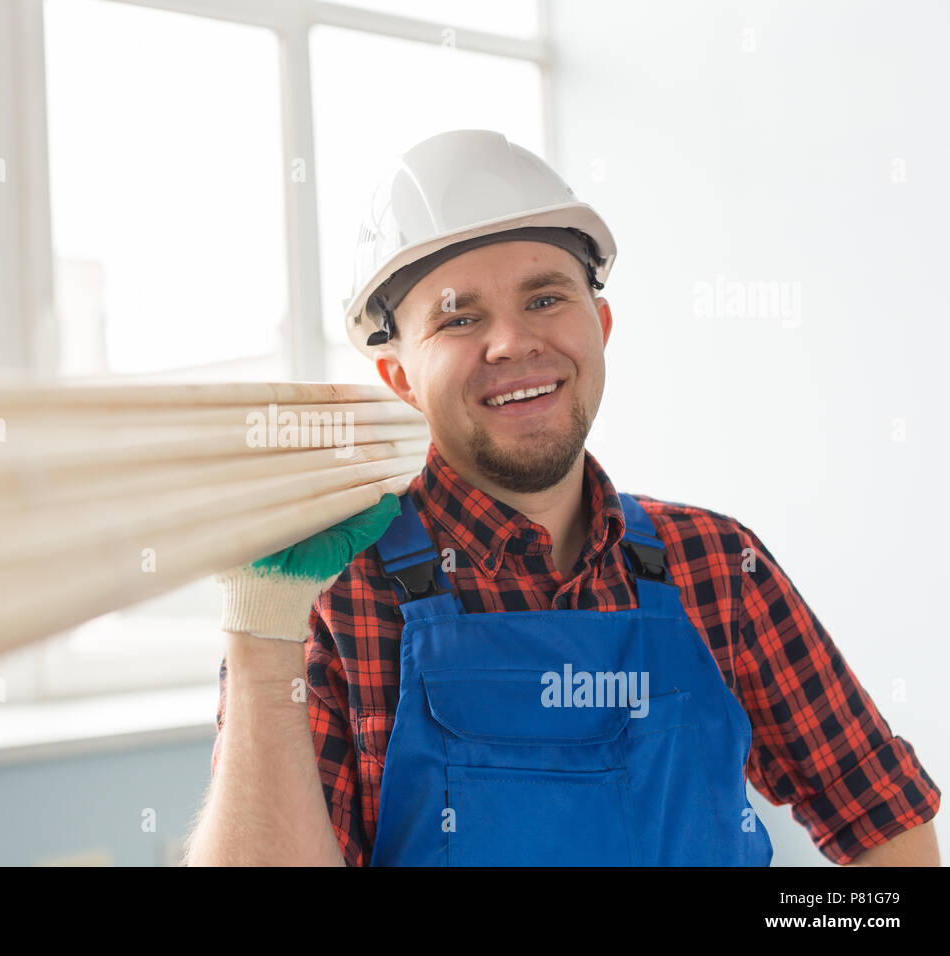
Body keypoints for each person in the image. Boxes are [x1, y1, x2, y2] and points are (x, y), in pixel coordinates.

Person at [183, 128, 940, 867]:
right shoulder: (331, 599)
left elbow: (883, 820)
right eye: (459, 316)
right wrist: (259, 632)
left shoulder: (718, 566)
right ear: (400, 378)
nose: (512, 342)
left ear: (600, 326)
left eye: (545, 299)